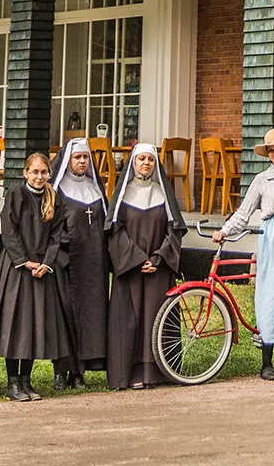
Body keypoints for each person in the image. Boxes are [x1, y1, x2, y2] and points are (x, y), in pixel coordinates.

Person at [0, 151, 77, 400]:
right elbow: (8, 231)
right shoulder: (16, 195)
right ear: (25, 173)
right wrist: (24, 261)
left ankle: (26, 381)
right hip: (17, 268)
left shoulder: (54, 198)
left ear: (48, 174)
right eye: (35, 172)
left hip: (41, 269)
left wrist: (47, 263)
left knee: (33, 325)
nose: (39, 177)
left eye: (43, 172)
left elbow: (57, 235)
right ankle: (12, 382)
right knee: (15, 323)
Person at [212, 127, 274, 381]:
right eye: (271, 150)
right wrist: (224, 231)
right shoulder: (261, 180)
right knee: (271, 292)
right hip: (273, 236)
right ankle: (266, 361)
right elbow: (244, 213)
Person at [104, 143, 186, 390]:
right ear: (133, 163)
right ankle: (126, 375)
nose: (146, 164)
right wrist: (138, 260)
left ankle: (157, 373)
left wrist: (159, 258)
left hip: (158, 269)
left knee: (155, 317)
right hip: (130, 269)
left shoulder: (163, 195)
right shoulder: (122, 196)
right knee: (129, 319)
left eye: (150, 159)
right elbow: (115, 232)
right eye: (141, 159)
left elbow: (174, 232)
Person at [49, 138, 109, 388]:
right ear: (67, 160)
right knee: (64, 317)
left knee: (91, 316)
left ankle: (80, 371)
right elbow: (49, 228)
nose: (82, 161)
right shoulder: (56, 190)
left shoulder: (96, 189)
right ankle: (61, 372)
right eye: (77, 157)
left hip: (94, 265)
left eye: (86, 157)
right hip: (66, 264)